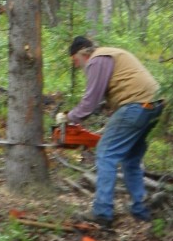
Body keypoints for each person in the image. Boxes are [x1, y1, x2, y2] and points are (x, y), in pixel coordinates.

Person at [55, 35, 164, 228]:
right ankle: (141, 209)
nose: (77, 65)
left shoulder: (97, 59)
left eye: (75, 61)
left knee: (106, 154)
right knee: (130, 159)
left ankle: (102, 211)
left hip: (136, 105)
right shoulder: (111, 55)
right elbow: (116, 94)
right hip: (153, 106)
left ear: (81, 54)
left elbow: (90, 102)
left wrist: (68, 117)